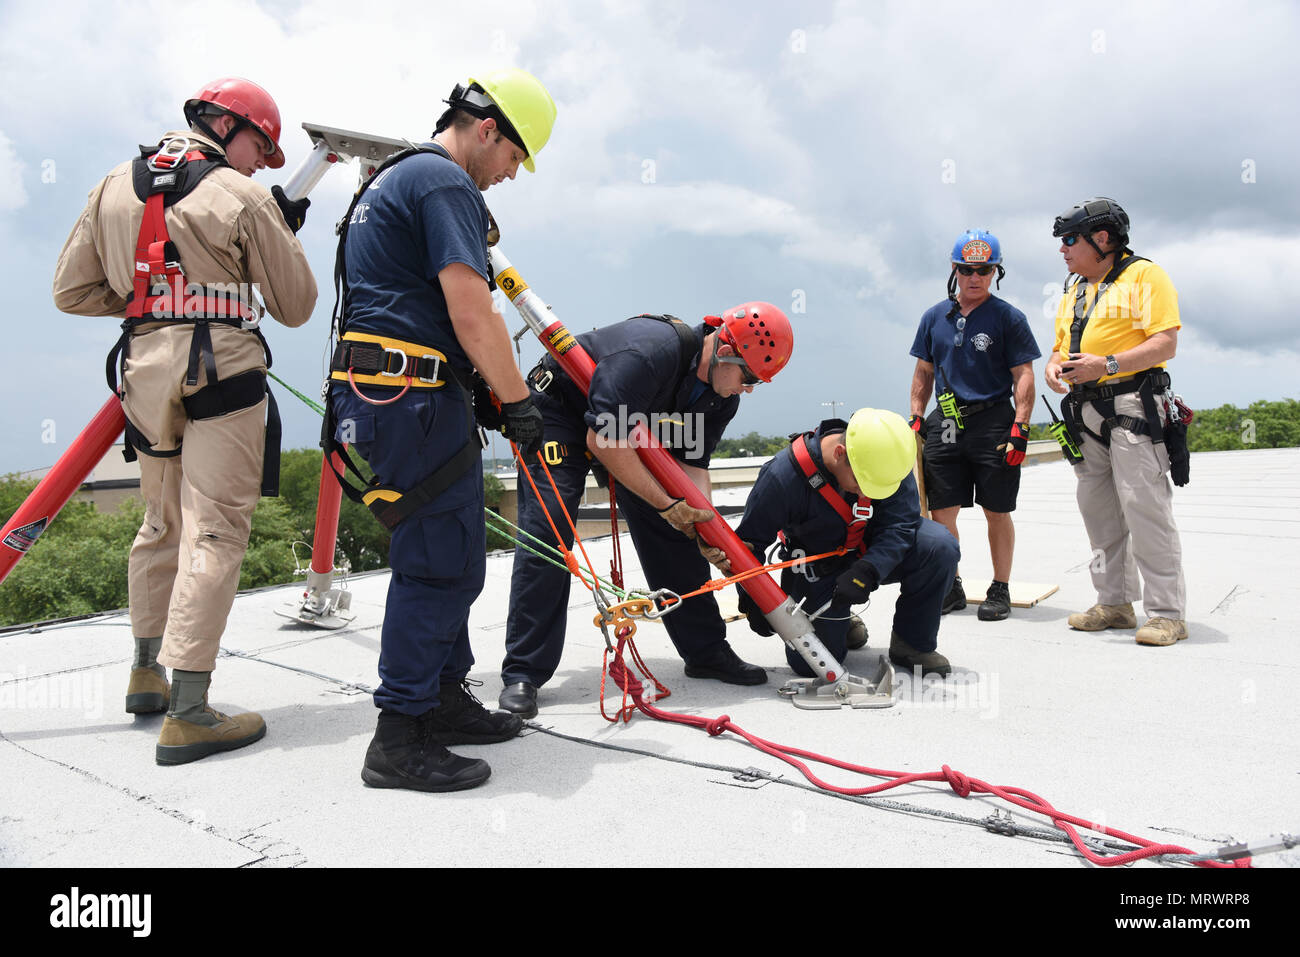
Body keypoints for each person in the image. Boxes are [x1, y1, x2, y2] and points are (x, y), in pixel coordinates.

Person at [52, 77, 318, 764]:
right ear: (230, 127)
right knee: (218, 529)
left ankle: (147, 672)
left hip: (143, 369)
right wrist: (276, 236)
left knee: (159, 522)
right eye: (262, 146)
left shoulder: (113, 183)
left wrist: (152, 298)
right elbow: (296, 305)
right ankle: (192, 708)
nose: (262, 163)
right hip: (220, 370)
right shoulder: (241, 193)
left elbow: (70, 290)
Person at [325, 69, 555, 792]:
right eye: (515, 158)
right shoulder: (444, 182)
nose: (510, 177)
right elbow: (473, 309)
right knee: (442, 563)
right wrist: (517, 402)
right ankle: (400, 734)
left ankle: (444, 697)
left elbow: (411, 304)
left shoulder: (390, 182)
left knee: (445, 551)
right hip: (408, 398)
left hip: (388, 392)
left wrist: (478, 393)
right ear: (488, 129)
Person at [498, 304, 794, 718]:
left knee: (677, 529)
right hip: (561, 410)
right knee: (550, 531)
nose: (746, 389)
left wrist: (702, 529)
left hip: (622, 428)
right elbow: (603, 441)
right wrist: (668, 504)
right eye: (748, 377)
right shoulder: (651, 354)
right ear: (724, 348)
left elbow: (692, 472)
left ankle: (706, 652)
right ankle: (523, 673)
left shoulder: (717, 399)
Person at [1044, 197, 1187, 646]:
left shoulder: (1145, 276)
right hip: (1086, 413)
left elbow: (1165, 343)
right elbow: (1060, 346)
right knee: (1099, 514)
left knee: (1145, 509)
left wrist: (1105, 365)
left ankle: (1166, 613)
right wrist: (1053, 367)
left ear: (1102, 239)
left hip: (1131, 408)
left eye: (1070, 240)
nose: (1063, 250)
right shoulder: (1075, 288)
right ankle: (1116, 603)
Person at [734, 410, 957, 677]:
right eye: (862, 483)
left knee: (938, 546)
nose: (866, 494)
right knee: (811, 665)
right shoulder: (783, 477)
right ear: (840, 453)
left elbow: (901, 525)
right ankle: (841, 619)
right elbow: (748, 545)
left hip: (870, 554)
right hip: (818, 566)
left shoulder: (887, 457)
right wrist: (754, 599)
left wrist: (869, 570)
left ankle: (912, 644)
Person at [908, 229, 1039, 621]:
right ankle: (951, 584)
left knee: (996, 509)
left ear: (995, 271)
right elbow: (923, 372)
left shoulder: (1008, 318)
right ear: (954, 268)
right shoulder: (934, 317)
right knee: (941, 511)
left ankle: (999, 587)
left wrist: (1021, 427)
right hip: (946, 421)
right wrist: (916, 415)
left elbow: (1024, 375)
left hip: (993, 420)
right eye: (967, 269)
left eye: (984, 269)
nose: (975, 277)